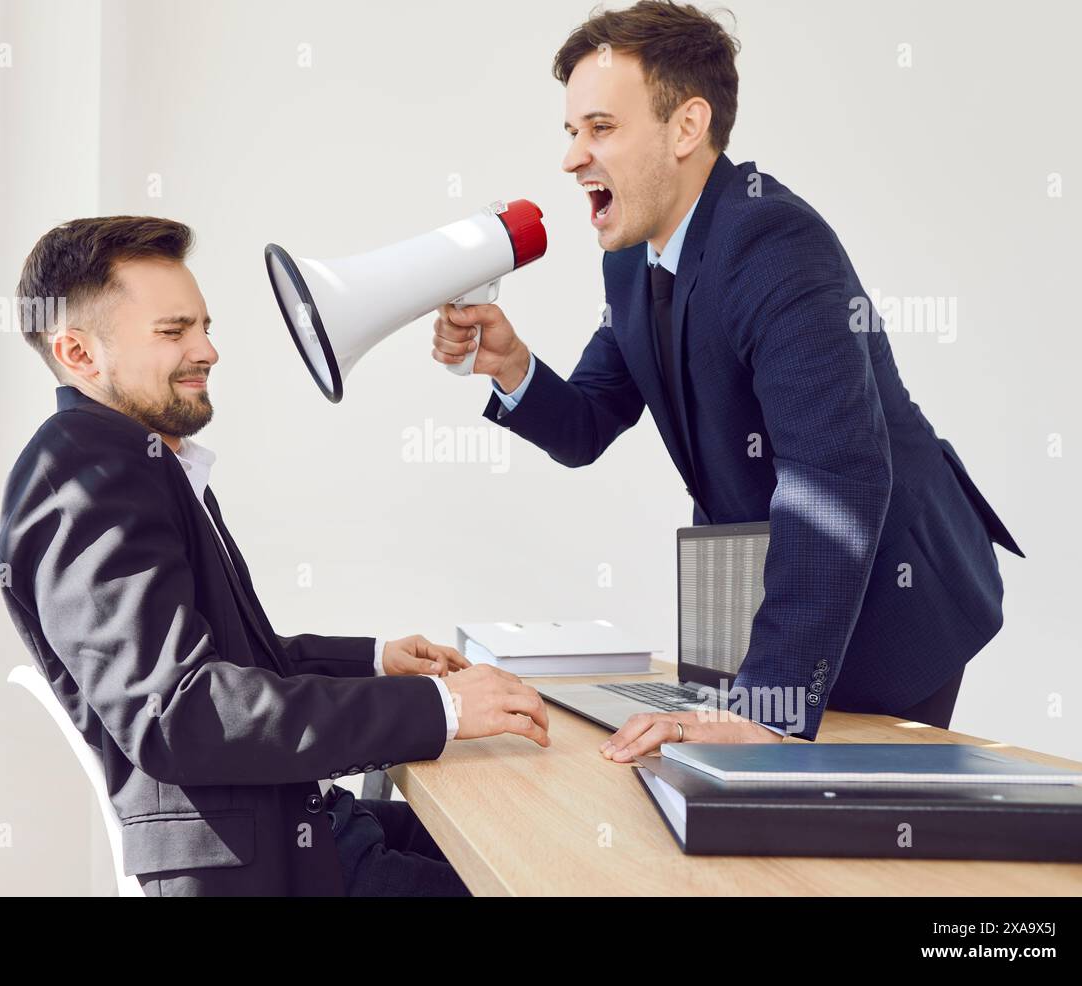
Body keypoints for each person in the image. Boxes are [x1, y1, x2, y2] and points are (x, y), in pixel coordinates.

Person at [430, 1, 1022, 757]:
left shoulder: (776, 243)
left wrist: (769, 706)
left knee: (835, 843)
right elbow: (588, 422)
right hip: (774, 592)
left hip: (894, 600)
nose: (573, 157)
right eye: (571, 131)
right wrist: (512, 365)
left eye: (601, 128)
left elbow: (835, 475)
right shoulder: (629, 259)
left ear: (686, 128)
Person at [0, 216, 550, 896]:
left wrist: (378, 659)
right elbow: (181, 711)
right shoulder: (84, 472)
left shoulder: (136, 461)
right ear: (79, 354)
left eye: (204, 326)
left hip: (296, 820)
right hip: (264, 867)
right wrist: (441, 709)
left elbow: (234, 670)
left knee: (521, 850)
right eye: (174, 332)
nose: (208, 350)